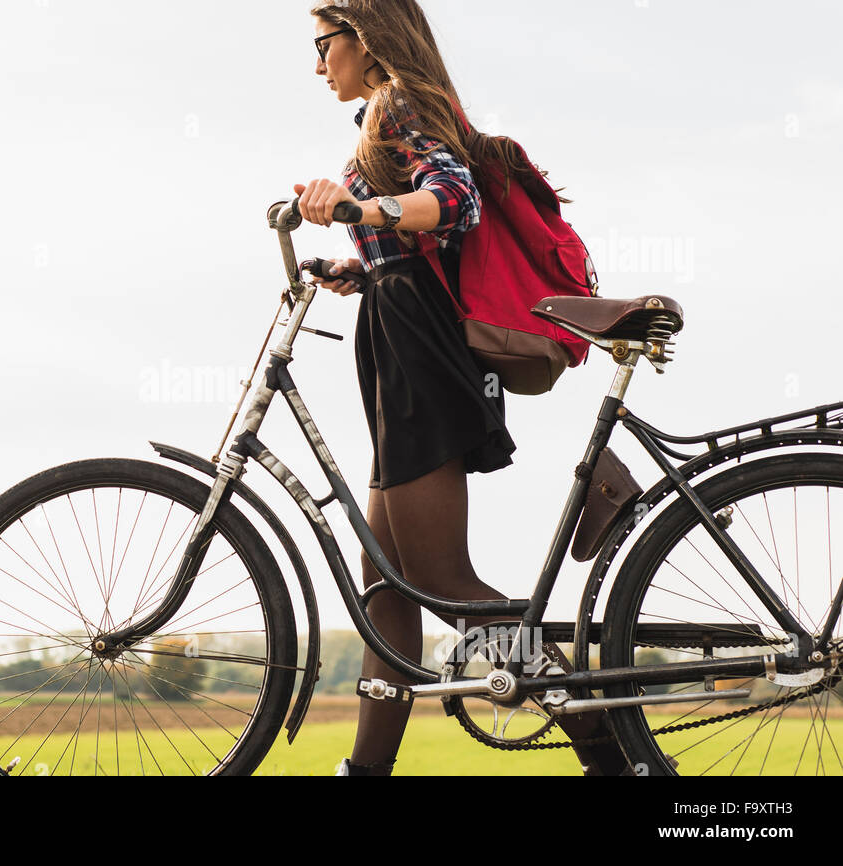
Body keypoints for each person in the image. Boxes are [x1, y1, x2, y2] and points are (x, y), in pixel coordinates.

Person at [295, 0, 548, 776]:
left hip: (419, 351)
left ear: (363, 40)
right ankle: (366, 771)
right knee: (387, 587)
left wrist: (361, 208)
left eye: (323, 45)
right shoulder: (379, 113)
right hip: (398, 331)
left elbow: (456, 199)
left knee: (438, 578)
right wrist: (360, 263)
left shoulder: (399, 101)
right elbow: (413, 237)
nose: (316, 64)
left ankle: (608, 745)